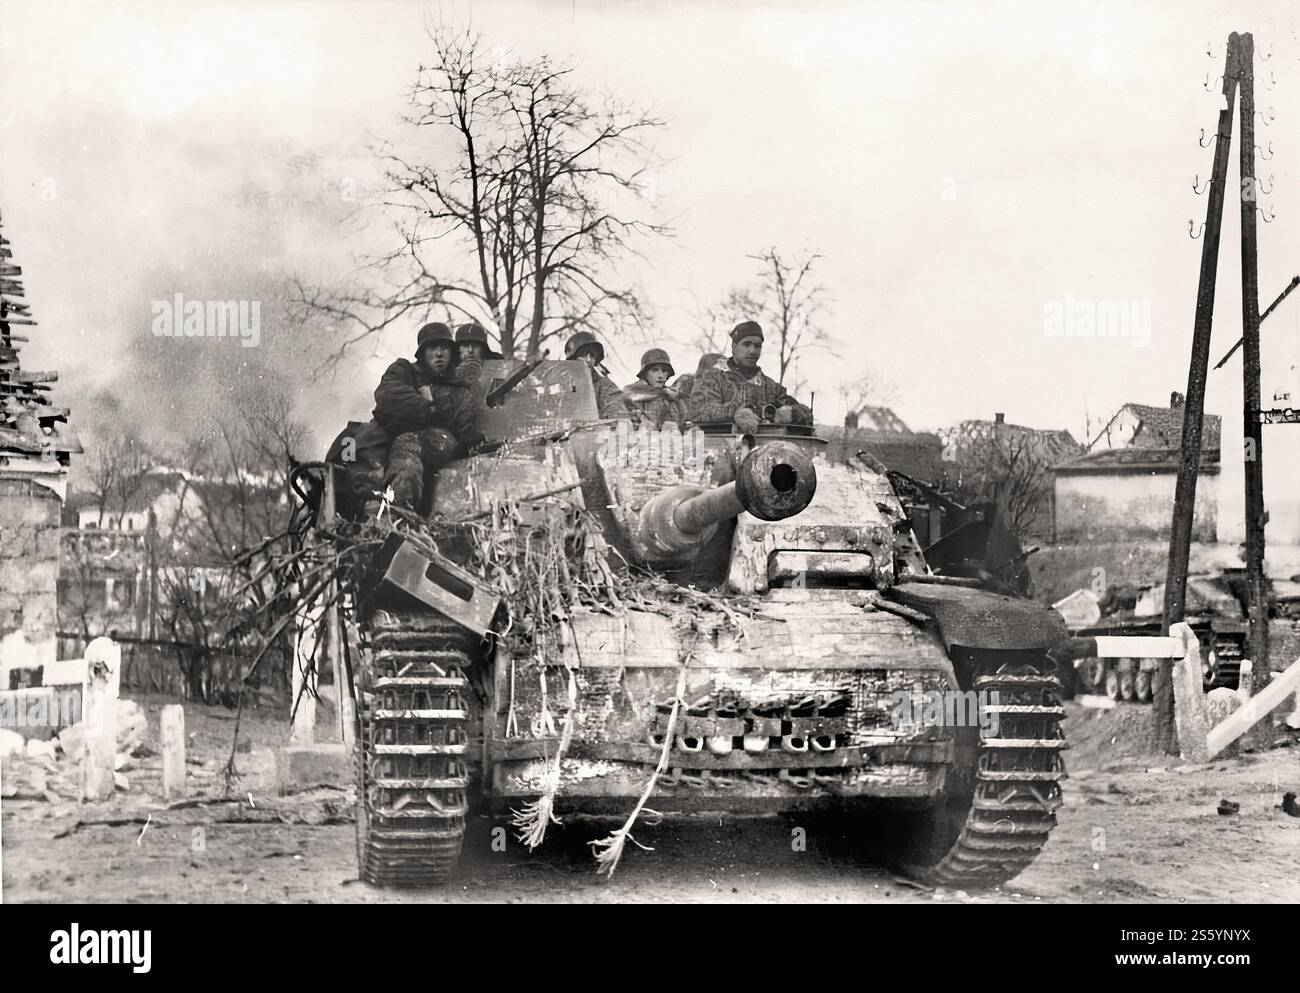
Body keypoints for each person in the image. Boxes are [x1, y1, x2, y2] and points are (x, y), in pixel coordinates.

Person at [374, 322, 486, 510]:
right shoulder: (404, 370)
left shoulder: (459, 386)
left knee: (409, 446)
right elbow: (389, 394)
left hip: (437, 441)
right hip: (394, 436)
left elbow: (464, 425)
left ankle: (401, 514)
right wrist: (429, 410)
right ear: (422, 353)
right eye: (433, 347)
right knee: (357, 448)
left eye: (445, 348)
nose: (439, 353)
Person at [687, 321, 812, 433]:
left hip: (764, 451)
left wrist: (788, 414)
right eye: (746, 344)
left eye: (757, 346)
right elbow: (698, 410)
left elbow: (806, 414)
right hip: (720, 451)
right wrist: (735, 413)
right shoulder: (714, 377)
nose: (753, 351)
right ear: (734, 346)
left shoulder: (770, 386)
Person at [564, 331, 638, 420]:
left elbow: (618, 413)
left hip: (597, 433)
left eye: (592, 356)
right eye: (584, 355)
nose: (589, 360)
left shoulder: (604, 386)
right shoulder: (564, 388)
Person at [623, 348, 688, 430]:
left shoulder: (671, 396)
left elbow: (682, 422)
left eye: (664, 371)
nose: (660, 375)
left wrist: (677, 400)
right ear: (645, 373)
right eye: (655, 370)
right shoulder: (631, 394)